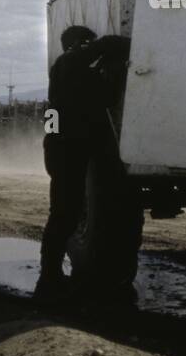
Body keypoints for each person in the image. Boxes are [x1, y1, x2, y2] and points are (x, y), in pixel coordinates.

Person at [36, 25, 132, 302]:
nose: (88, 47)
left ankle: (51, 275)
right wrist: (108, 46)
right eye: (84, 42)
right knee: (64, 213)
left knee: (68, 211)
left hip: (69, 149)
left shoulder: (79, 72)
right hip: (64, 149)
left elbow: (104, 98)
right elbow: (96, 52)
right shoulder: (65, 64)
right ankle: (49, 275)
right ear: (74, 45)